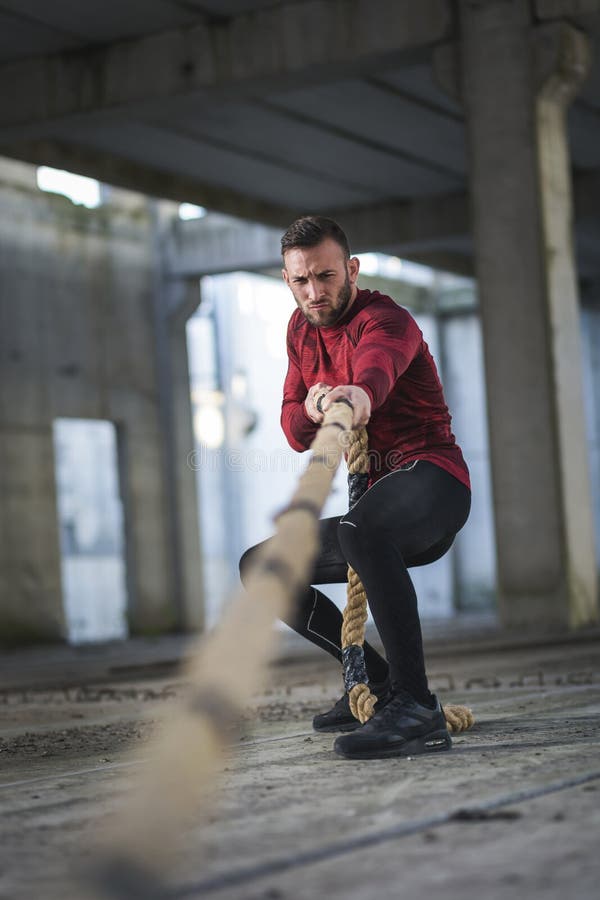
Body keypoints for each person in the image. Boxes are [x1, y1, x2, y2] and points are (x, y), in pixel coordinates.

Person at [240, 216, 471, 760]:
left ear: (351, 269)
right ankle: (381, 683)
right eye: (302, 281)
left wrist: (350, 399)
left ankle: (417, 707)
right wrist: (315, 405)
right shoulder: (300, 331)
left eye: (326, 276)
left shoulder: (388, 320)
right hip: (370, 505)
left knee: (360, 530)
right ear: (287, 280)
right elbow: (293, 429)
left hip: (432, 480)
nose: (315, 292)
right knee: (262, 567)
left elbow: (374, 376)